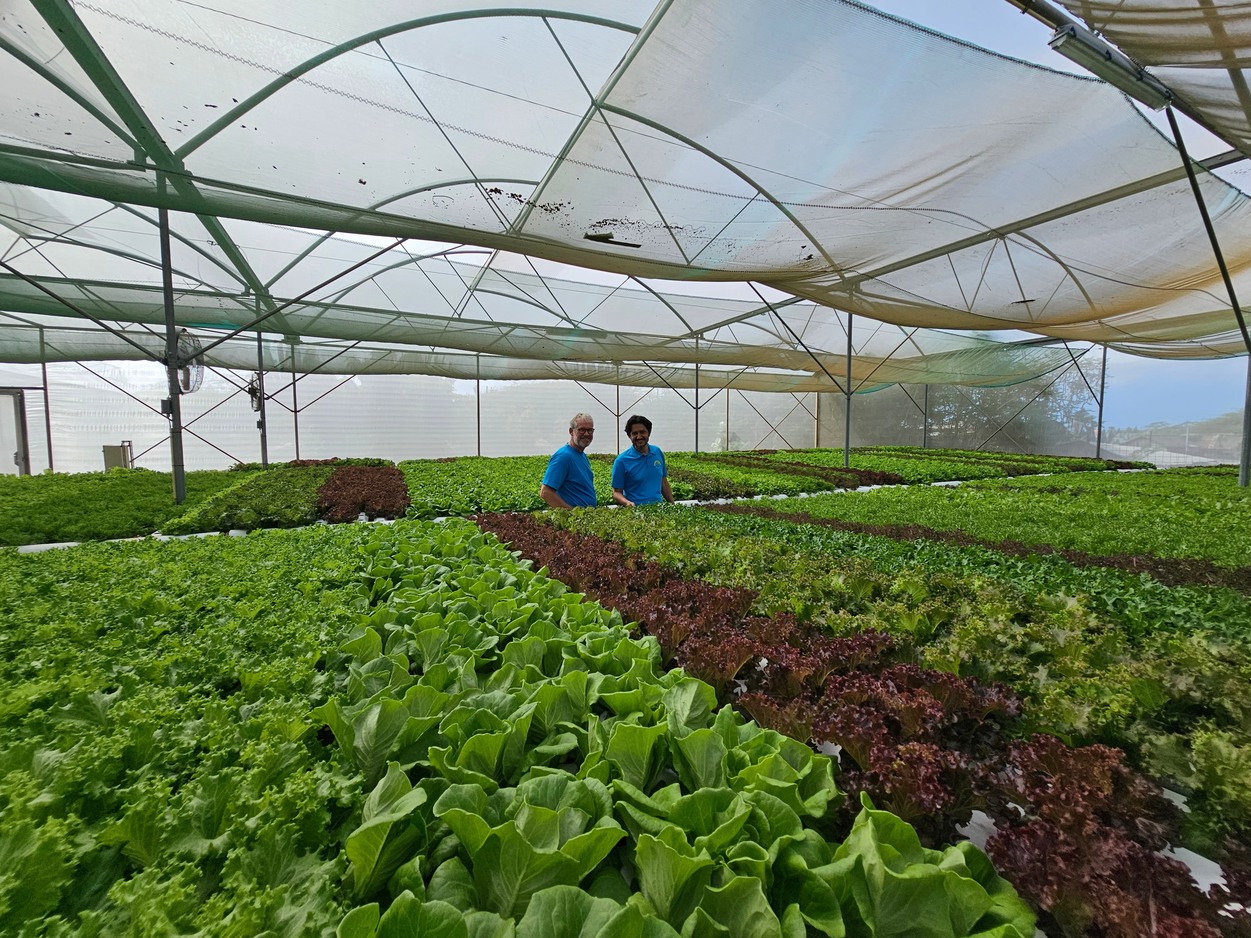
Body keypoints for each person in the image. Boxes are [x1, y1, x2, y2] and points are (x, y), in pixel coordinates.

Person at [611, 414, 675, 508]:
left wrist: (672, 505)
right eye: (634, 433)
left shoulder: (657, 452)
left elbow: (663, 482)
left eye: (642, 432)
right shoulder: (621, 461)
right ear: (629, 436)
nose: (639, 436)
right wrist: (627, 503)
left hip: (658, 509)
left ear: (648, 433)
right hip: (636, 511)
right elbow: (616, 493)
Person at [540, 413, 597, 508]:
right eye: (582, 430)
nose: (587, 434)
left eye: (590, 430)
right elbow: (546, 492)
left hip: (586, 518)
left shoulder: (582, 455)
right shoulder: (563, 457)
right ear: (571, 431)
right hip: (575, 520)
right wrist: (572, 514)